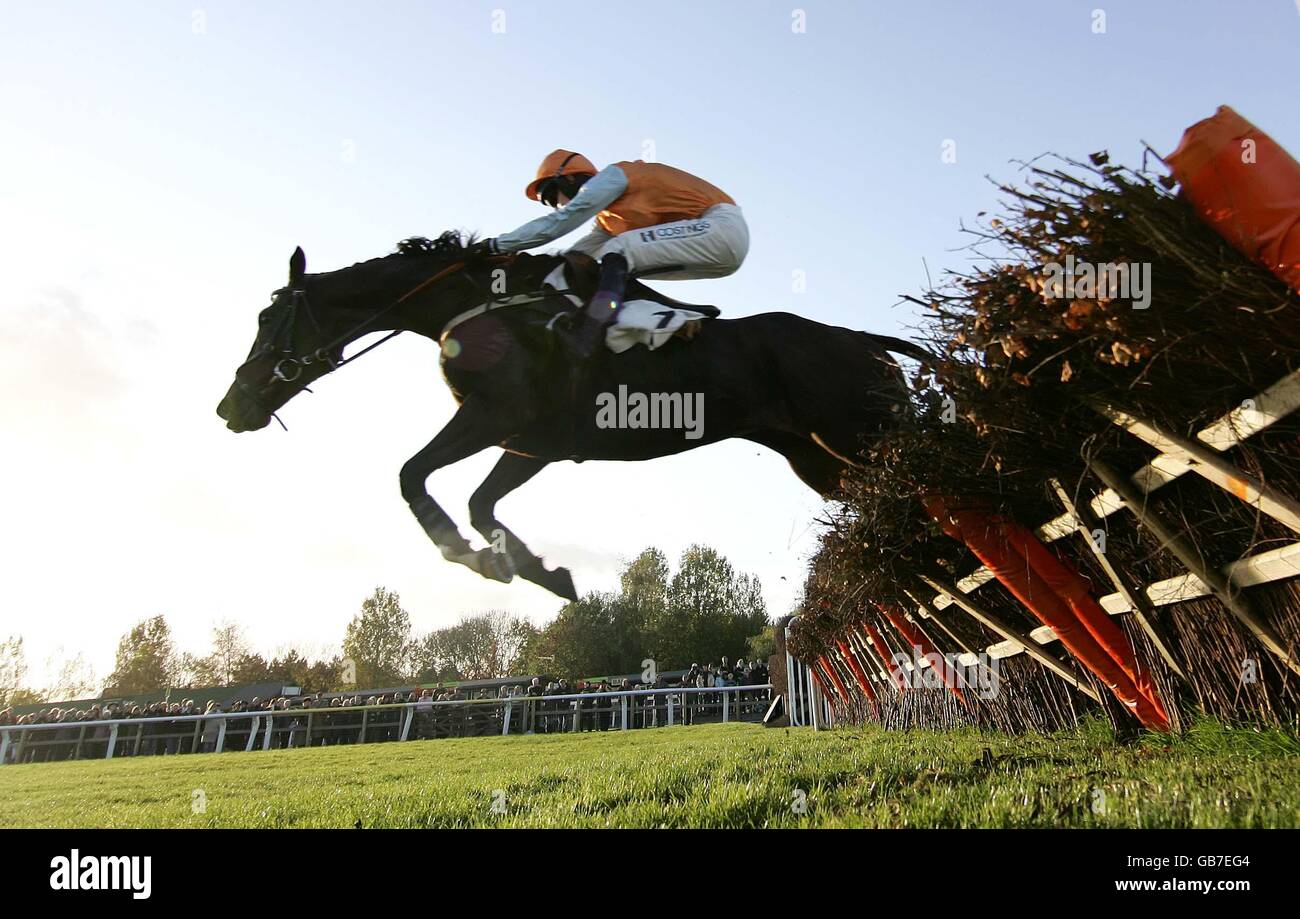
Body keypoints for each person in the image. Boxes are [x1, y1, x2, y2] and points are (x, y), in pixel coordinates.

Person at [474, 150, 749, 359]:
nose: (556, 206)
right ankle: (675, 314)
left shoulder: (613, 176)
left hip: (721, 226)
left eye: (550, 196)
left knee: (618, 250)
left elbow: (561, 222)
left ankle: (591, 330)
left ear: (568, 177)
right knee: (598, 264)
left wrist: (496, 246)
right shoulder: (609, 220)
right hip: (714, 249)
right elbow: (574, 259)